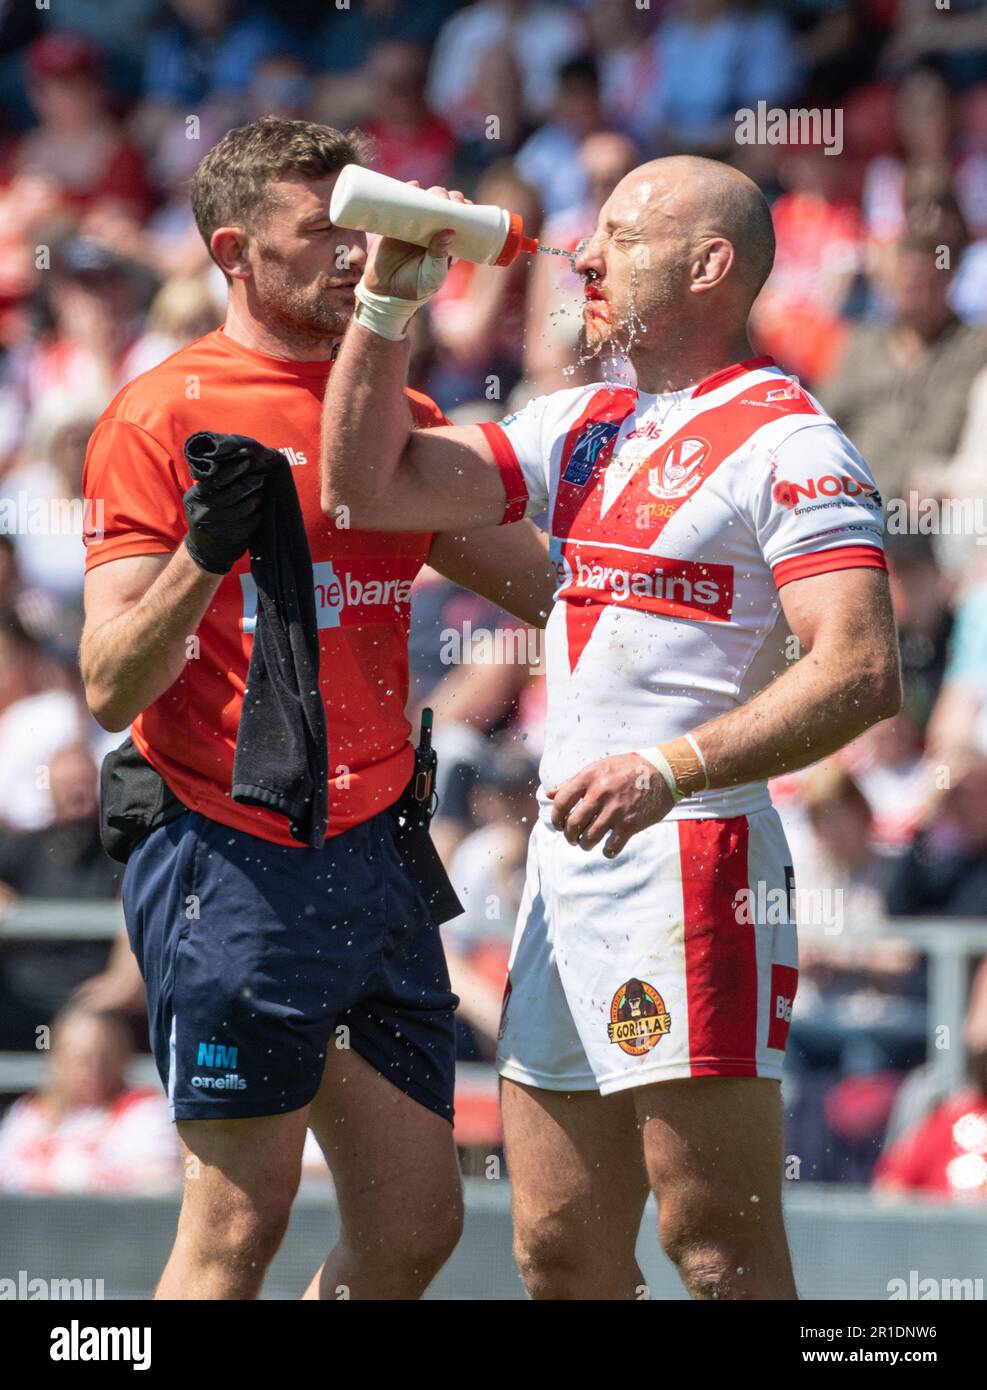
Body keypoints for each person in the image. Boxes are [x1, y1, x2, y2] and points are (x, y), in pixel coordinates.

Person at [319, 155, 901, 1300]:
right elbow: (365, 490)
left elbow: (865, 669)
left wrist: (672, 767)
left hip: (696, 866)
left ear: (709, 264)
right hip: (567, 873)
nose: (583, 255)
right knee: (559, 1254)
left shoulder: (792, 440)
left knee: (716, 1250)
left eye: (620, 236)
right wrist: (386, 302)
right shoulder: (586, 419)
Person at [78, 117, 555, 1301]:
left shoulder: (386, 407)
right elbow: (108, 684)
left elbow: (555, 590)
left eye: (366, 227)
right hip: (227, 850)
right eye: (325, 233)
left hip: (378, 848)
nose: (358, 255)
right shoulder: (159, 412)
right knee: (238, 1227)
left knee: (416, 1227)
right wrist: (203, 554)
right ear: (237, 251)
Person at [0, 1005, 179, 1194]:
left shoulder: (146, 1110)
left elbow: (155, 1185)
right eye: (81, 1058)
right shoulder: (29, 1114)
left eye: (104, 1056)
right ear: (56, 1057)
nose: (94, 1068)